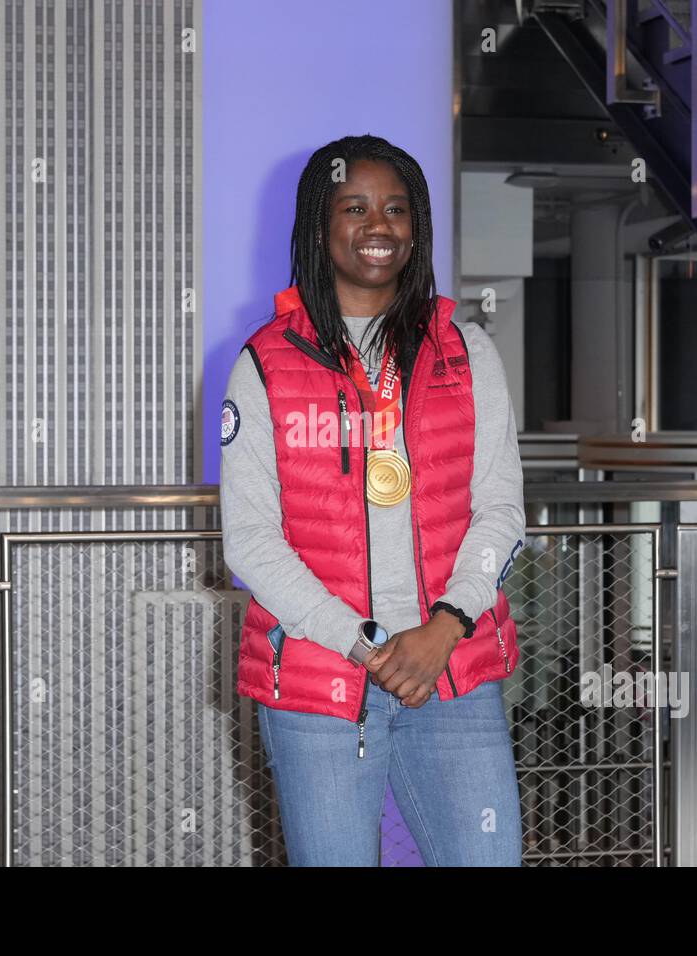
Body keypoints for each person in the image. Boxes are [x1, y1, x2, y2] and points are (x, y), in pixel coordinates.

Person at [219, 134, 526, 866]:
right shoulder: (266, 363)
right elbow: (252, 541)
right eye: (354, 208)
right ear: (319, 227)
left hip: (453, 674)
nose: (378, 226)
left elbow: (501, 510)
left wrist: (445, 626)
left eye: (395, 208)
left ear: (416, 226)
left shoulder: (466, 351)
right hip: (320, 684)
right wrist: (370, 646)